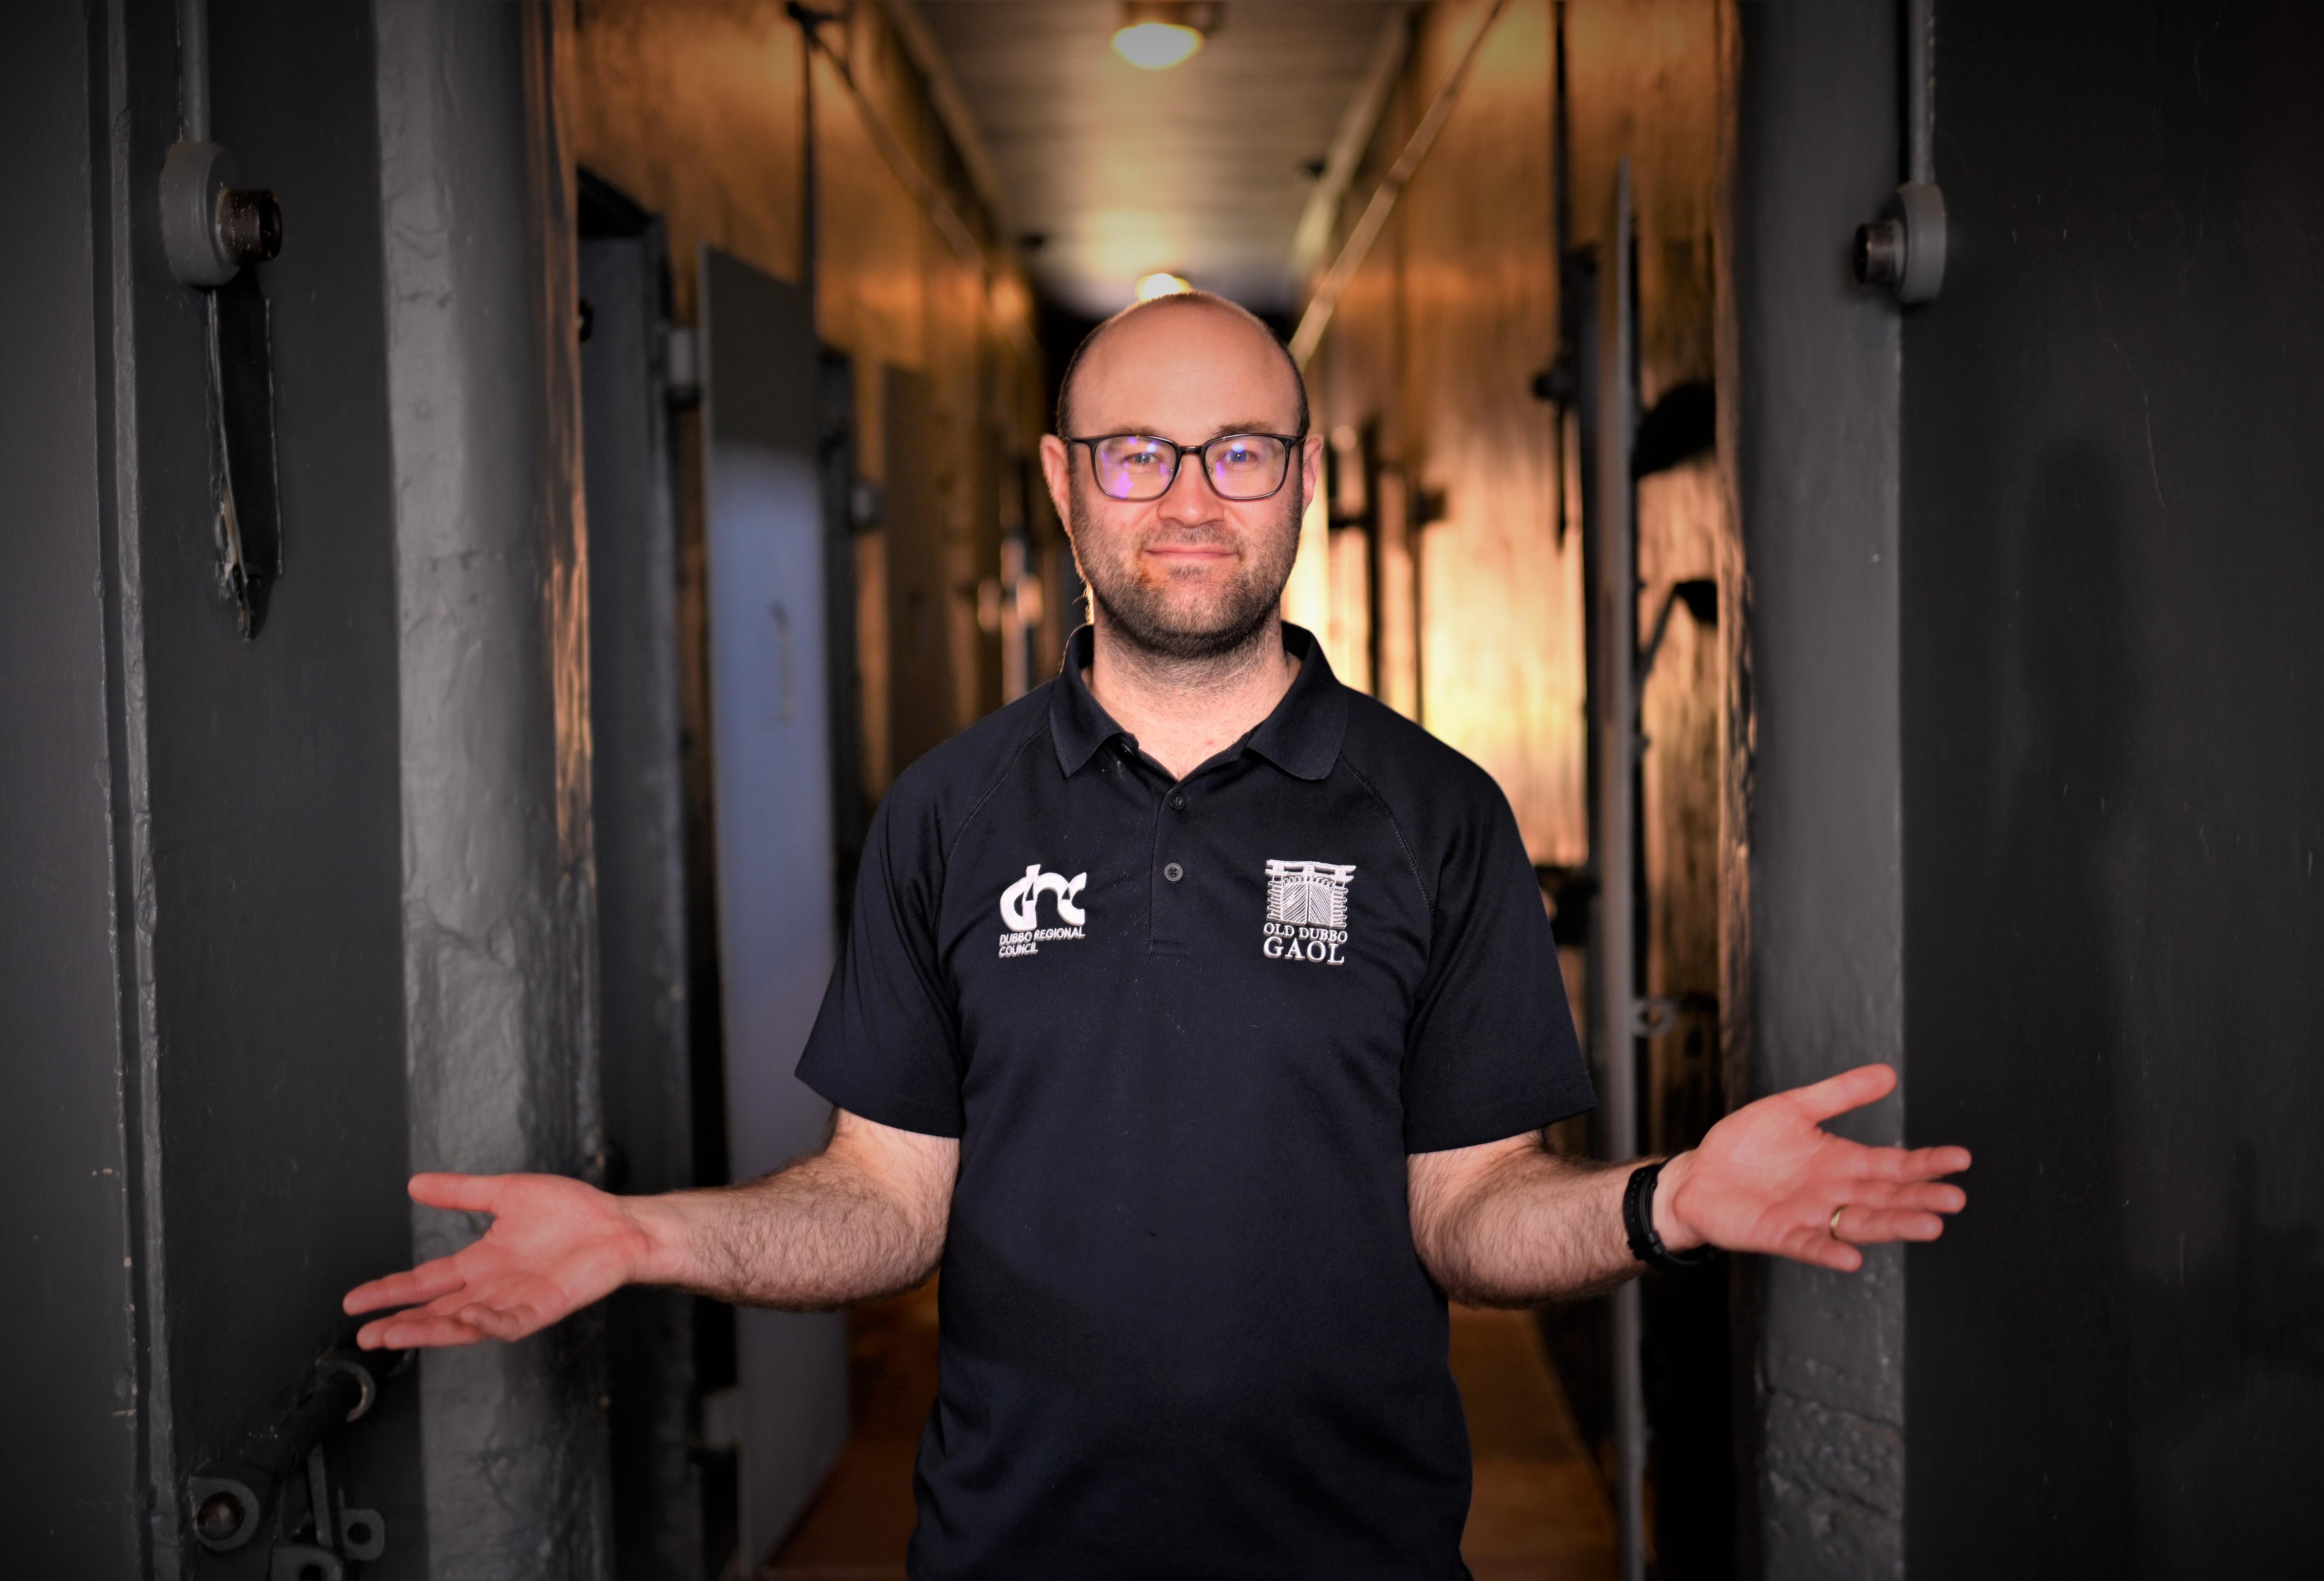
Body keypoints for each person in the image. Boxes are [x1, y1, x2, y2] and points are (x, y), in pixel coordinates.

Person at [345, 290, 1969, 1578]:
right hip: (1011, 1553)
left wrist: (1665, 1200)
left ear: (1307, 478)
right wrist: (648, 1240)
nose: (1189, 500)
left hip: (1361, 1556)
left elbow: (1468, 1216)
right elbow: (882, 1206)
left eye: (1240, 452)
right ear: (1061, 482)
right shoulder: (948, 817)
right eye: (1136, 453)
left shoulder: (1435, 814)